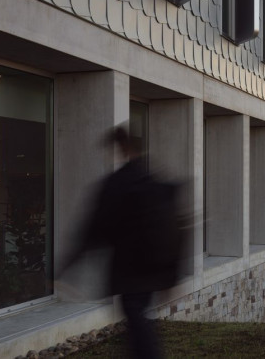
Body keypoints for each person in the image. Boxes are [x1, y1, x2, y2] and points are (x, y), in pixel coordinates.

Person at [63, 126, 181, 359]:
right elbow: (174, 227)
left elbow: (94, 228)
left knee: (136, 319)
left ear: (120, 149)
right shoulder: (154, 180)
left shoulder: (118, 183)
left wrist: (68, 265)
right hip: (151, 271)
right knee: (137, 320)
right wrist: (171, 274)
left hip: (130, 272)